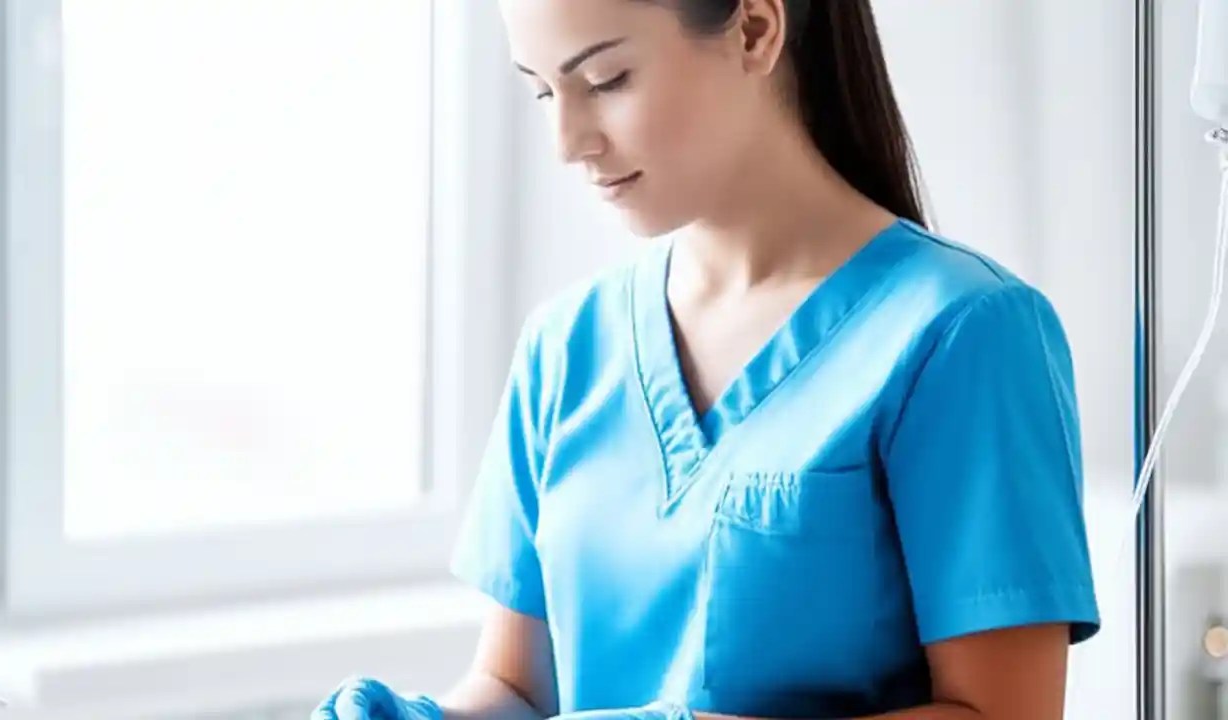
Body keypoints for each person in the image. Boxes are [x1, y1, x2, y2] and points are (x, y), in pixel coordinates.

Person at [312, 1, 1101, 718]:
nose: (568, 142)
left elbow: (1003, 714)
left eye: (606, 79)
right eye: (544, 92)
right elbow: (520, 687)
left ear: (756, 29)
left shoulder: (962, 333)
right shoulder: (566, 345)